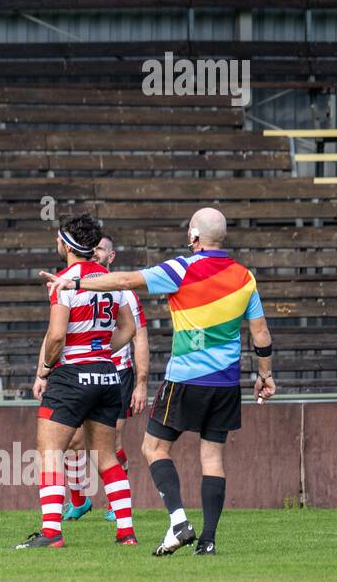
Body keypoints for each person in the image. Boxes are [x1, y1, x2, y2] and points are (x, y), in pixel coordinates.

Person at [42, 207, 275, 556]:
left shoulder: (182, 267)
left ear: (194, 236)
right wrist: (265, 375)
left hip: (185, 378)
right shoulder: (245, 277)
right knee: (212, 458)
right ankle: (207, 540)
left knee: (153, 448)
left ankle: (178, 521)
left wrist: (74, 281)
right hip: (227, 383)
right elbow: (261, 333)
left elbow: (124, 281)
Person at [17, 213, 138, 550]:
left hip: (71, 376)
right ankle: (126, 532)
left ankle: (52, 532)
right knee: (107, 456)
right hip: (106, 374)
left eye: (59, 238)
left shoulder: (64, 281)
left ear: (68, 245)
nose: (56, 242)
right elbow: (128, 329)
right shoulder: (111, 281)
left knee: (50, 453)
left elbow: (56, 337)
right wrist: (99, 348)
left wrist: (44, 368)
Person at [60, 233, 149, 524]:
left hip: (116, 372)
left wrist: (141, 383)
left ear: (111, 257)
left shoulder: (124, 293)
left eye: (101, 249)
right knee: (72, 441)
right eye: (93, 247)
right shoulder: (74, 283)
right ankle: (79, 500)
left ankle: (116, 505)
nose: (96, 252)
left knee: (112, 443)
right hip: (82, 370)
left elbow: (138, 337)